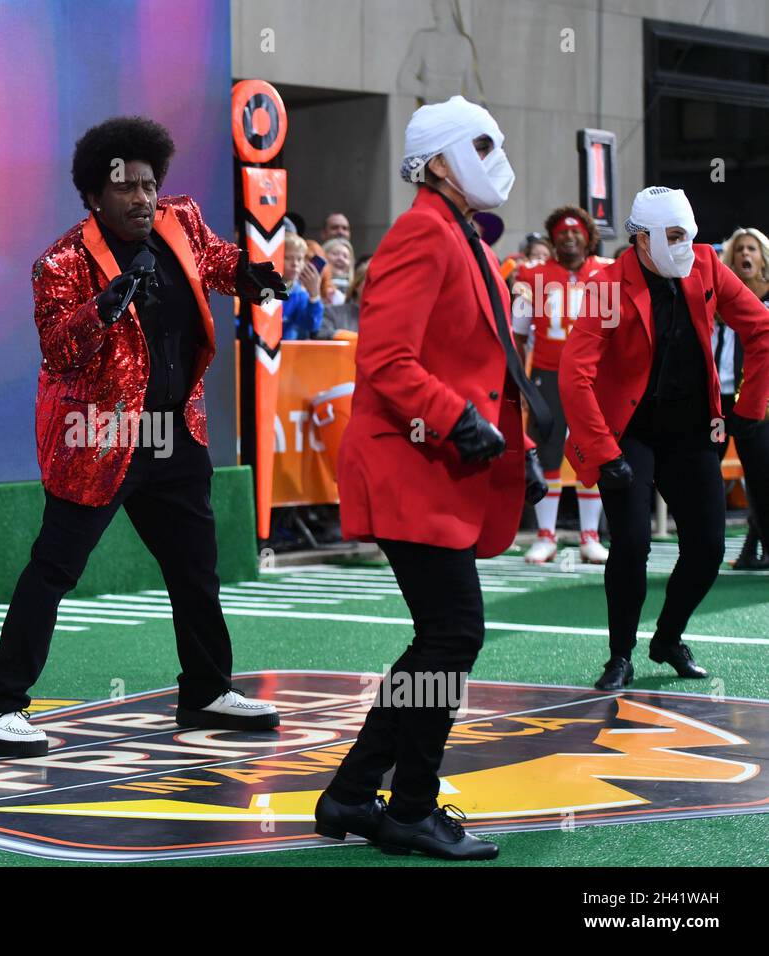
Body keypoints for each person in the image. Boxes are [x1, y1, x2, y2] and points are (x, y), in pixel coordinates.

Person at [0, 116, 286, 757]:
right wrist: (104, 306)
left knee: (196, 570)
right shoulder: (60, 263)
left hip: (174, 431)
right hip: (100, 437)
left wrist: (250, 276)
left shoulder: (180, 220)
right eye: (126, 187)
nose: (142, 198)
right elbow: (59, 350)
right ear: (93, 194)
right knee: (55, 569)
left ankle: (206, 691)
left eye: (149, 184)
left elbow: (214, 261)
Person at [314, 96, 549, 861]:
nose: (498, 156)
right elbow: (385, 359)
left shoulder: (459, 233)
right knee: (453, 633)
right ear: (440, 162)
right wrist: (459, 420)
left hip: (435, 465)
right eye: (481, 144)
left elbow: (486, 364)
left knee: (442, 637)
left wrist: (519, 449)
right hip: (409, 464)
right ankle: (408, 806)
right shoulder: (424, 232)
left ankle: (355, 794)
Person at [560, 188, 769, 692]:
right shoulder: (608, 285)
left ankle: (669, 638)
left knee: (709, 547)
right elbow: (574, 374)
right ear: (642, 240)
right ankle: (620, 655)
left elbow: (762, 329)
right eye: (673, 236)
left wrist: (748, 410)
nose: (686, 245)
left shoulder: (706, 265)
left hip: (691, 430)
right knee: (631, 542)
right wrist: (603, 451)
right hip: (628, 433)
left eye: (689, 234)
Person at [512, 207, 614, 563]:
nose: (568, 237)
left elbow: (617, 331)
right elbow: (518, 333)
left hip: (593, 375)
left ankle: (590, 534)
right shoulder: (532, 275)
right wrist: (520, 380)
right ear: (552, 239)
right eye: (561, 233)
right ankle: (546, 535)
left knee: (594, 450)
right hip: (548, 372)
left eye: (575, 232)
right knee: (547, 452)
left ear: (589, 237)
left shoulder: (608, 272)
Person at [717, 227, 769, 568]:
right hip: (720, 397)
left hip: (760, 397)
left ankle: (758, 543)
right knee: (704, 469)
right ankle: (747, 545)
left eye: (752, 249)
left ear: (763, 258)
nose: (745, 254)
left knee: (762, 475)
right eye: (739, 250)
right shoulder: (721, 297)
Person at [282, 233, 323, 339]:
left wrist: (314, 295)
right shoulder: (262, 288)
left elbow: (311, 325)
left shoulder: (299, 293)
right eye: (288, 258)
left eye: (299, 259)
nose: (295, 263)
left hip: (287, 347)